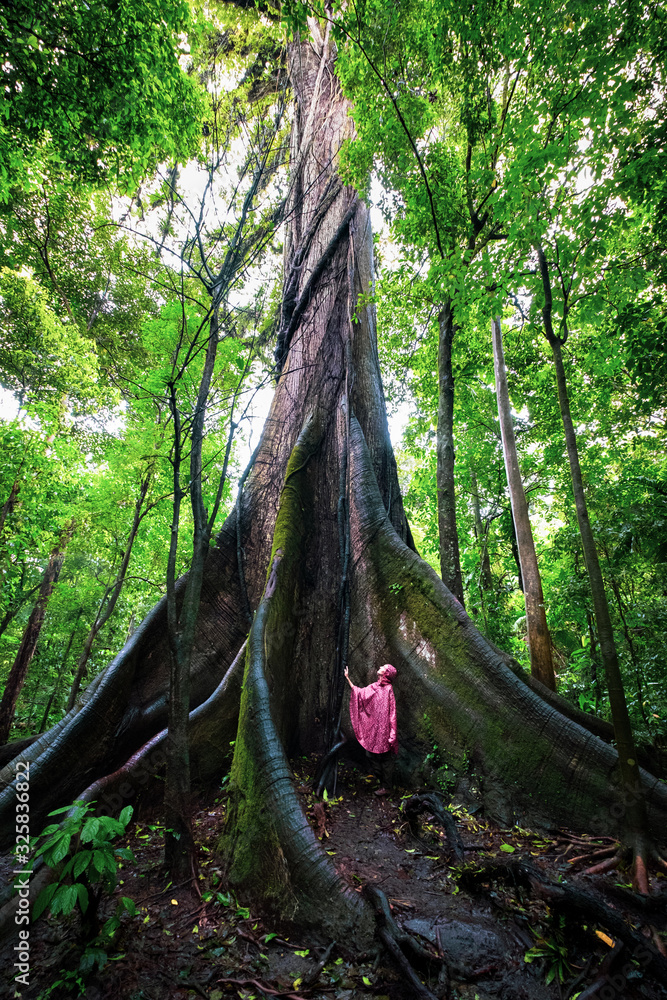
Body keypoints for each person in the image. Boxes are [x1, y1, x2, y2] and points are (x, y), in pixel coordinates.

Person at [344, 663, 398, 794]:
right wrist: (347, 678)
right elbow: (360, 693)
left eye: (383, 667)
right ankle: (381, 782)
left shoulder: (389, 689)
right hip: (374, 731)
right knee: (370, 755)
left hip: (385, 732)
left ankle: (387, 787)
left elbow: (392, 712)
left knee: (386, 759)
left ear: (386, 673)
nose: (380, 667)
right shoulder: (374, 687)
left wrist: (393, 733)